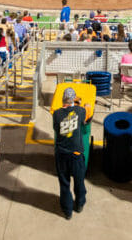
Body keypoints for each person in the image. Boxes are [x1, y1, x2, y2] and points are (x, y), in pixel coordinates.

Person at [53, 87, 89, 219]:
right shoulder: (80, 111)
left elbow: (57, 129)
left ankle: (67, 211)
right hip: (76, 155)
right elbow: (86, 118)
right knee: (79, 181)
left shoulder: (56, 114)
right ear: (74, 99)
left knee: (64, 183)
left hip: (61, 154)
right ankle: (79, 204)